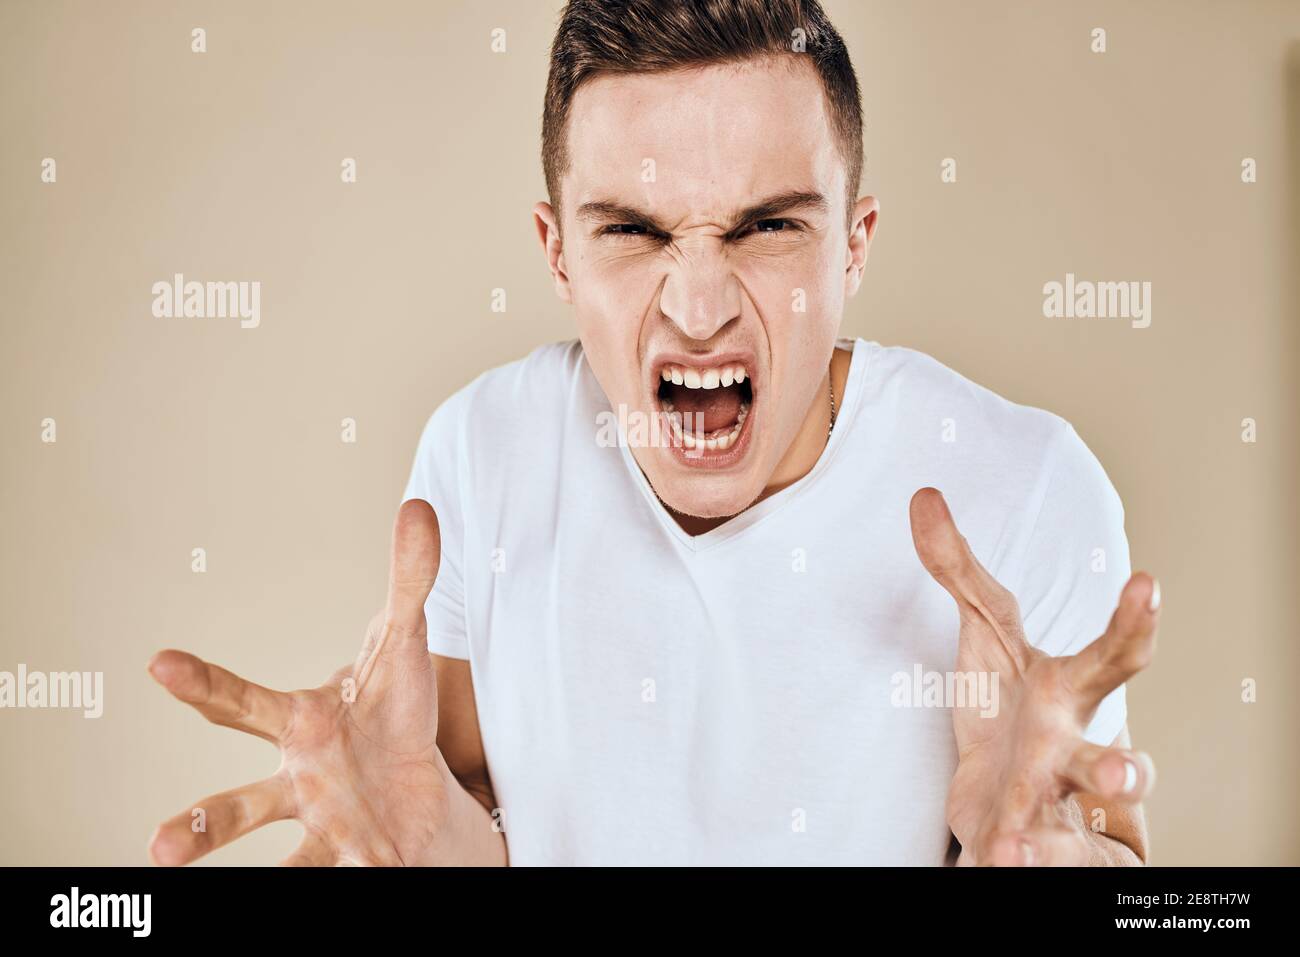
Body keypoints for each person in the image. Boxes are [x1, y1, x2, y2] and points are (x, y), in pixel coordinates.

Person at [146, 0, 1158, 866]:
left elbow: (1122, 869)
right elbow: (466, 812)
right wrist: (436, 845)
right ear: (557, 253)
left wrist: (1045, 859)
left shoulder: (1026, 487)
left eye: (768, 226)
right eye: (632, 231)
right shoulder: (483, 452)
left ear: (854, 247)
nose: (700, 306)